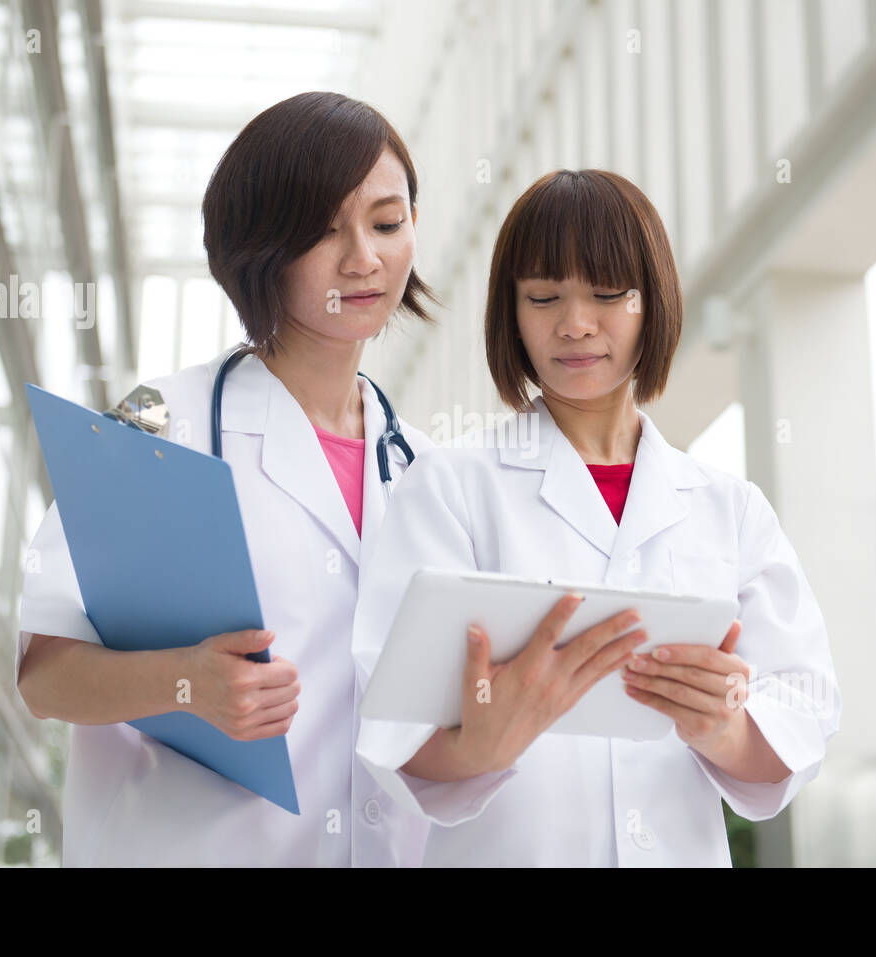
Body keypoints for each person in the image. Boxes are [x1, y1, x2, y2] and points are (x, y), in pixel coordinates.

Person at [352, 169, 842, 866]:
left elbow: (802, 716)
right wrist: (483, 739)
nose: (576, 324)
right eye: (543, 297)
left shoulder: (729, 508)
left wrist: (721, 726)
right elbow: (393, 720)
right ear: (510, 313)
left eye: (609, 295)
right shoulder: (450, 486)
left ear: (656, 302)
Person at [16, 91, 438, 866]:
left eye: (387, 222)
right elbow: (45, 676)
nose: (364, 259)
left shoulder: (427, 470)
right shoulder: (155, 422)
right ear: (261, 248)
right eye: (322, 230)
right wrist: (185, 682)